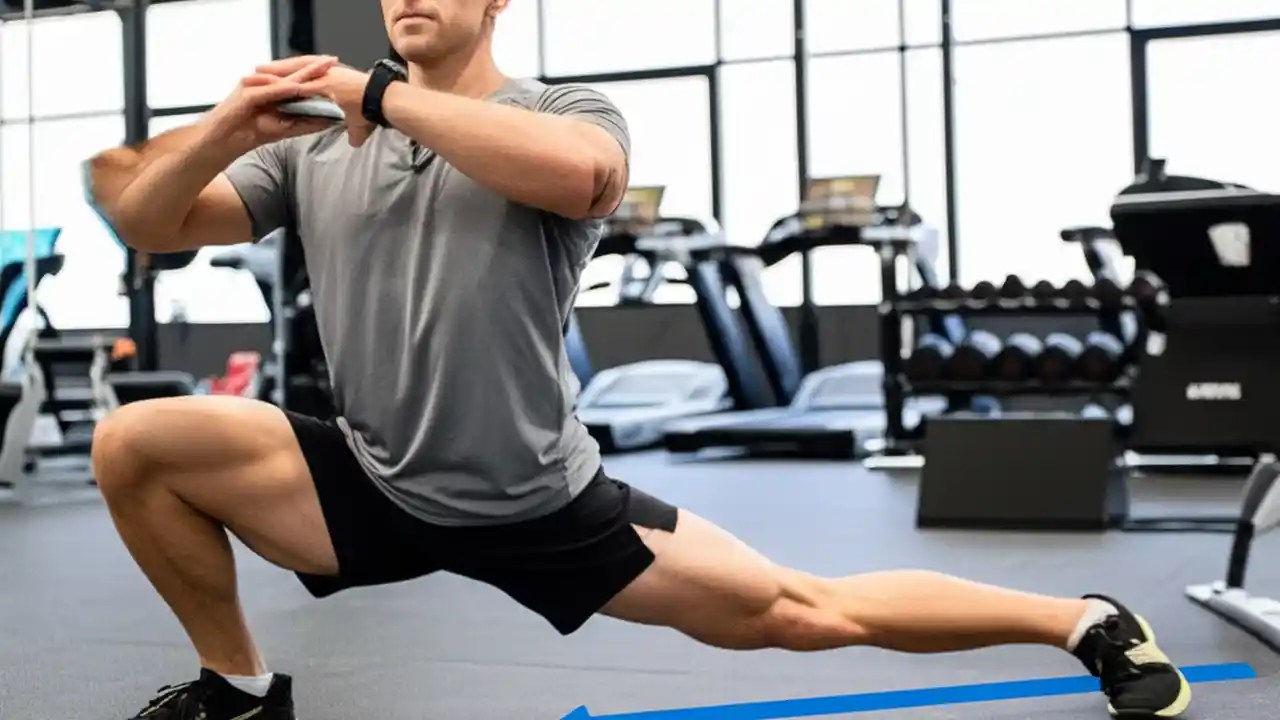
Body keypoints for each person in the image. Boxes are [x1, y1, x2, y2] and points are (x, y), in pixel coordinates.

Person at [86, 1, 1190, 719]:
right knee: (138, 440)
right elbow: (150, 223)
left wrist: (375, 94)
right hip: (373, 483)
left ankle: (1080, 620)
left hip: (533, 498)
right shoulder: (320, 152)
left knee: (804, 613)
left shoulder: (562, 110)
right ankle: (237, 688)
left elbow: (578, 178)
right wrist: (229, 126)